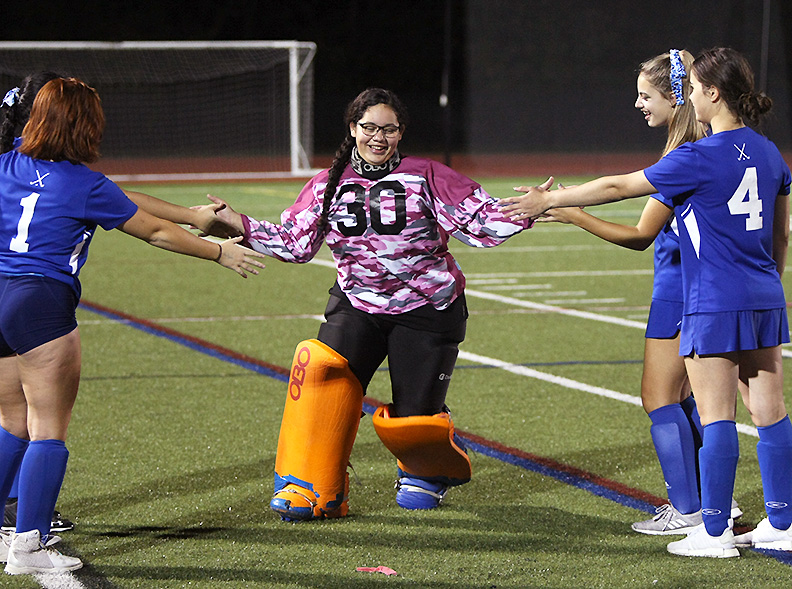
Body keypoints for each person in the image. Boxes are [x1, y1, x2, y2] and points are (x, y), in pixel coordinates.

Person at [501, 47, 791, 557]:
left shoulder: (697, 156)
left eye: (694, 90)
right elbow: (781, 235)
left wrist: (551, 199)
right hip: (766, 294)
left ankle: (714, 531)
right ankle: (783, 523)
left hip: (712, 299)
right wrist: (767, 281)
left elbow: (619, 186)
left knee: (717, 415)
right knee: (771, 412)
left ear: (713, 93)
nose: (690, 99)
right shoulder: (771, 153)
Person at [205, 87, 535, 521]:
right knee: (322, 378)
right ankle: (311, 484)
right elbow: (296, 243)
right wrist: (239, 223)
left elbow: (480, 225)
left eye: (389, 129)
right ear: (353, 128)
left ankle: (432, 463)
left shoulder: (427, 175)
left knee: (416, 453)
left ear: (401, 132)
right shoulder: (326, 183)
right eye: (369, 127)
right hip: (357, 305)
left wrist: (539, 205)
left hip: (426, 309)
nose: (379, 137)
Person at [0, 77, 267, 575]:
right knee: (47, 429)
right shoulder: (82, 183)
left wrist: (190, 216)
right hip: (39, 302)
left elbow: (124, 198)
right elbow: (155, 231)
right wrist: (217, 252)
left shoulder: (8, 162)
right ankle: (29, 544)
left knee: (11, 422)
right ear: (85, 126)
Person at [540, 50, 745, 535]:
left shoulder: (684, 157)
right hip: (713, 290)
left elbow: (639, 234)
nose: (638, 104)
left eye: (645, 95)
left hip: (679, 292)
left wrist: (573, 214)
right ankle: (718, 501)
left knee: (658, 398)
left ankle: (689, 508)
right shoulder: (714, 146)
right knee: (696, 400)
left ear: (677, 98)